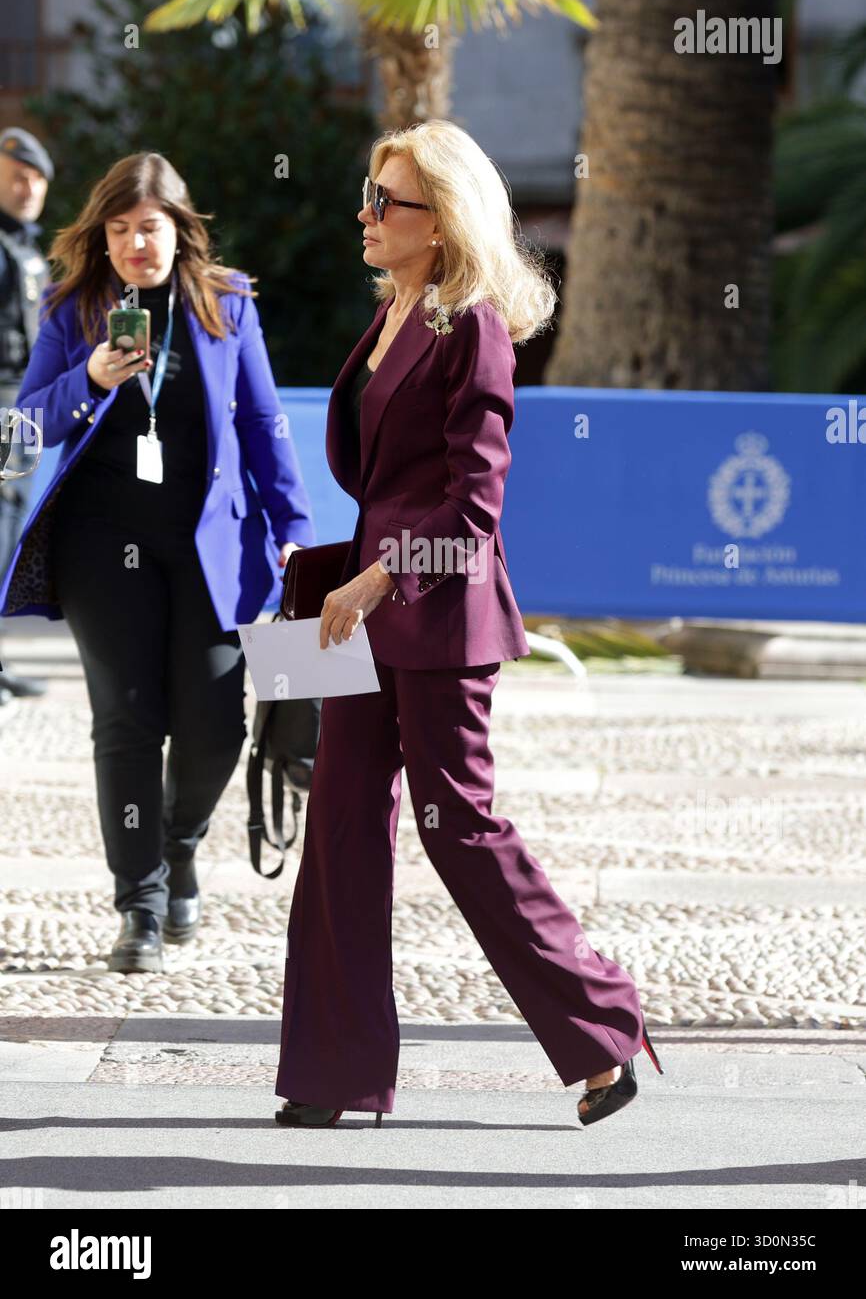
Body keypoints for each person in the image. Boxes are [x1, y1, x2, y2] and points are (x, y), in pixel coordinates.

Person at [274, 119, 664, 1132]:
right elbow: (383, 484)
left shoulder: (471, 325)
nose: (363, 215)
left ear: (440, 224)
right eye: (366, 194)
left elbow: (470, 509)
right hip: (362, 609)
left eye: (384, 202)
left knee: (461, 832)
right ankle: (334, 1069)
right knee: (342, 821)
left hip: (439, 620)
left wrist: (372, 581)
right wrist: (329, 572)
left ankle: (601, 1027)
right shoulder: (392, 310)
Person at [0, 151, 315, 972]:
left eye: (149, 227)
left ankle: (180, 844)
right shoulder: (74, 304)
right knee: (127, 722)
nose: (135, 243)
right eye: (117, 230)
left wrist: (295, 529)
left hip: (209, 543)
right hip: (102, 548)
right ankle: (138, 902)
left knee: (215, 724)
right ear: (100, 240)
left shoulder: (226, 303)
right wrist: (90, 376)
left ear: (179, 231)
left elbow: (264, 423)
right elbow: (31, 417)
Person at [0, 127, 53, 703]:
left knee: (7, 532)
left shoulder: (25, 247)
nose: (29, 187)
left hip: (21, 405)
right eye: (17, 175)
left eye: (37, 179)